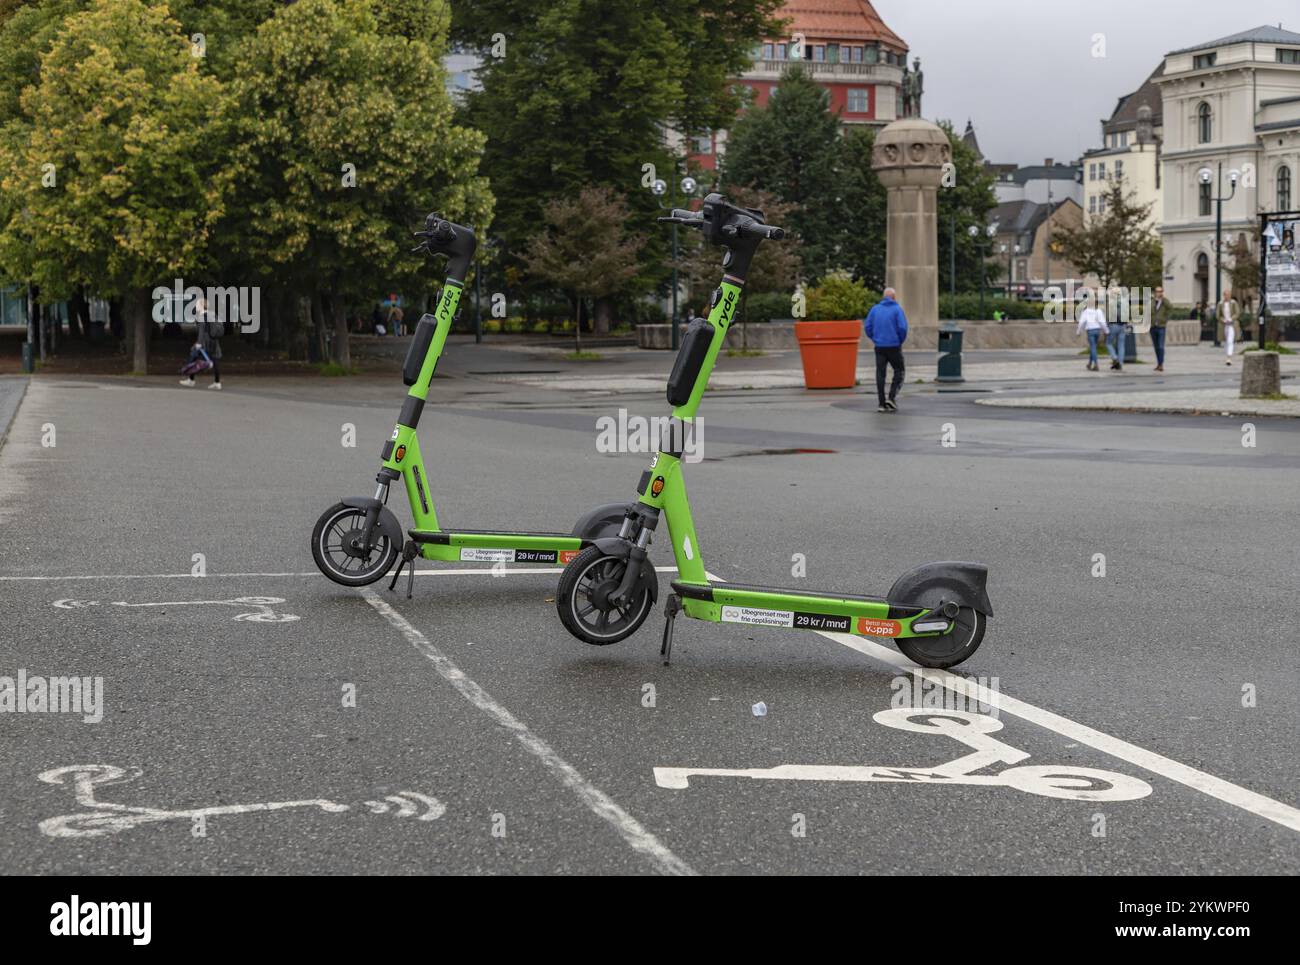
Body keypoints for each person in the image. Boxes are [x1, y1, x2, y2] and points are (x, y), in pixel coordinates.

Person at [864, 287, 908, 412]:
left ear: (884, 297)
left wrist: (875, 338)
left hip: (879, 347)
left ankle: (881, 403)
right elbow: (903, 328)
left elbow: (867, 327)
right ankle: (891, 397)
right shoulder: (897, 310)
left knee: (880, 374)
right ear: (894, 297)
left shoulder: (875, 309)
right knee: (899, 371)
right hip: (894, 346)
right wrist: (899, 340)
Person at [180, 296, 223, 390]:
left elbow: (201, 331)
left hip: (204, 342)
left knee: (194, 359)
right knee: (215, 362)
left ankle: (191, 380)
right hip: (214, 342)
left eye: (197, 305)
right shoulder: (213, 314)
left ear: (201, 306)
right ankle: (217, 382)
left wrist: (199, 343)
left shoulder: (201, 317)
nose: (196, 306)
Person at [1076, 295, 1109, 371]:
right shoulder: (1098, 311)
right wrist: (1106, 331)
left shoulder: (1086, 312)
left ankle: (1096, 364)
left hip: (1090, 331)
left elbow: (1081, 322)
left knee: (1093, 347)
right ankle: (1090, 363)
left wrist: (1078, 331)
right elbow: (1102, 322)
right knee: (1093, 347)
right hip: (1097, 331)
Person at [1104, 287, 1130, 371]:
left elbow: (1108, 316)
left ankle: (1115, 358)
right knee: (1121, 345)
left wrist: (1106, 326)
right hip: (1123, 326)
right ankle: (1120, 363)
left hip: (1113, 325)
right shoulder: (1124, 302)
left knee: (1108, 343)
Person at [1217, 288, 1240, 365]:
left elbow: (1237, 313)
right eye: (1226, 295)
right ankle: (1228, 355)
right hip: (1224, 325)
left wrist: (1231, 319)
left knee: (1230, 340)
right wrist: (1223, 319)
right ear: (1224, 295)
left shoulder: (1233, 303)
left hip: (1232, 324)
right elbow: (1218, 315)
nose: (1227, 296)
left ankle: (1229, 357)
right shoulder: (1220, 304)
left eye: (1228, 295)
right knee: (1227, 341)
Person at [1149, 285, 1169, 372]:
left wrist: (1165, 319)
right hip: (1153, 327)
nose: (1159, 293)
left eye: (1161, 291)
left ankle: (1161, 364)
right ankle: (1158, 363)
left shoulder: (1165, 302)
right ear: (1155, 293)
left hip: (1161, 326)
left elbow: (1170, 308)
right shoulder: (1152, 302)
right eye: (1157, 291)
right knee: (1156, 346)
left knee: (1161, 346)